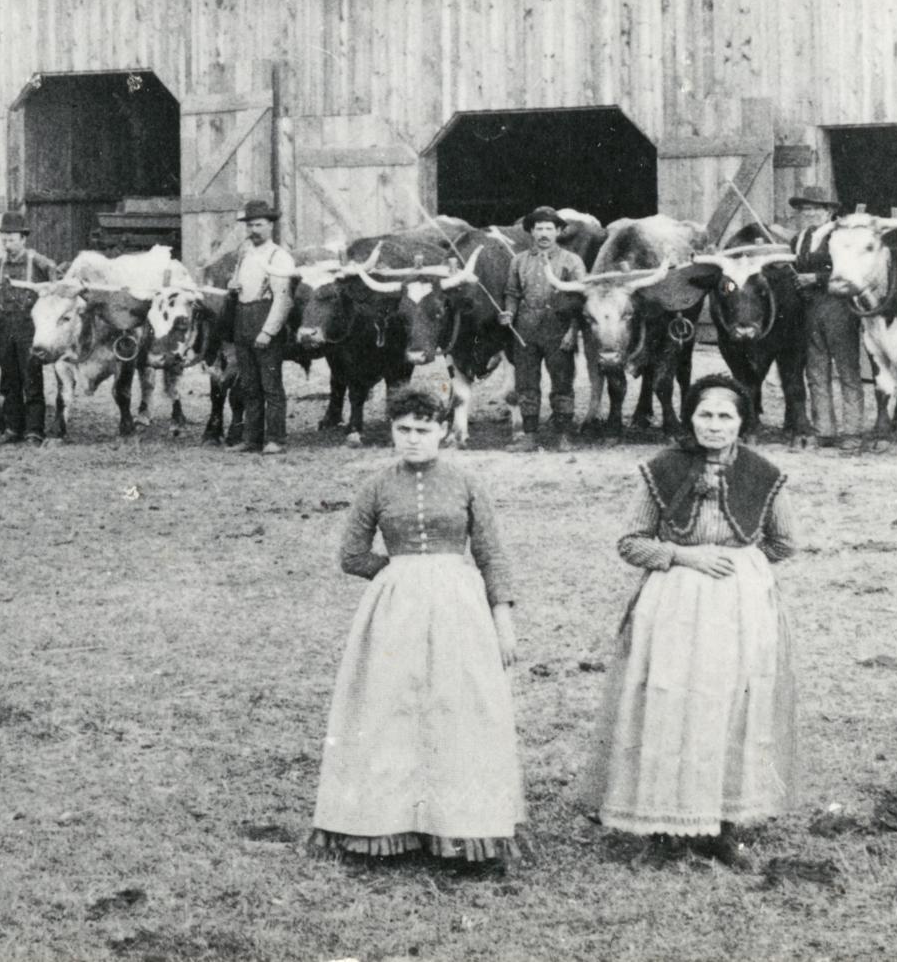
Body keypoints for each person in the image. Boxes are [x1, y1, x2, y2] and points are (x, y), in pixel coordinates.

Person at [577, 373, 800, 870]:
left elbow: (784, 542)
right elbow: (630, 542)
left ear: (742, 422)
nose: (714, 426)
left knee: (733, 706)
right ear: (689, 416)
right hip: (675, 603)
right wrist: (685, 556)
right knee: (671, 702)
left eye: (726, 416)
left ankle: (722, 826)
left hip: (741, 608)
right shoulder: (663, 470)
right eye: (705, 414)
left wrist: (744, 567)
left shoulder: (764, 474)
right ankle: (665, 828)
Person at [311, 389, 525, 868]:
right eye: (403, 429)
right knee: (392, 707)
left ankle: (463, 833)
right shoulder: (376, 486)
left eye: (423, 430)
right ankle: (386, 830)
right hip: (396, 611)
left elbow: (492, 555)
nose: (412, 439)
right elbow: (350, 555)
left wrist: (503, 619)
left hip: (460, 608)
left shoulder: (467, 482)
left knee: (460, 707)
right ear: (392, 431)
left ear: (444, 432)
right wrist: (398, 574)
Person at [499, 207, 586, 451]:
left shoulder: (572, 261)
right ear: (531, 232)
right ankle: (529, 436)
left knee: (562, 383)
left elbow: (581, 299)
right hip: (525, 330)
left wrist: (573, 331)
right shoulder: (519, 261)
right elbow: (512, 293)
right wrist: (509, 314)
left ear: (558, 231)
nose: (544, 233)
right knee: (526, 384)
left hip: (559, 330)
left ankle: (563, 435)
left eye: (549, 228)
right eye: (539, 229)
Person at [786, 186, 864, 450]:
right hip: (809, 309)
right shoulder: (799, 238)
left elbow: (852, 271)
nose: (808, 214)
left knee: (847, 370)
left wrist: (817, 278)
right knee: (816, 371)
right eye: (804, 210)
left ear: (829, 211)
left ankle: (852, 432)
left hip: (838, 306)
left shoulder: (842, 236)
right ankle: (825, 430)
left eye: (814, 209)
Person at [0, 212, 60, 445]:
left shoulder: (39, 262)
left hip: (29, 329)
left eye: (11, 239)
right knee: (9, 381)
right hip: (4, 329)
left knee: (31, 379)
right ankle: (13, 429)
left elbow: (57, 282)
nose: (7, 243)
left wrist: (47, 302)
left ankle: (34, 431)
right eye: (4, 239)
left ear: (23, 238)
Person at [229, 199, 295, 455]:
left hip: (264, 318)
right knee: (249, 385)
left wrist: (268, 331)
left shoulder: (279, 257)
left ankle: (276, 439)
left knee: (271, 385)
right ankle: (251, 439)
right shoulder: (245, 254)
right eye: (249, 225)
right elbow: (238, 283)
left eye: (258, 225)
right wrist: (232, 286)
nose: (253, 230)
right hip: (243, 318)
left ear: (270, 226)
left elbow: (283, 299)